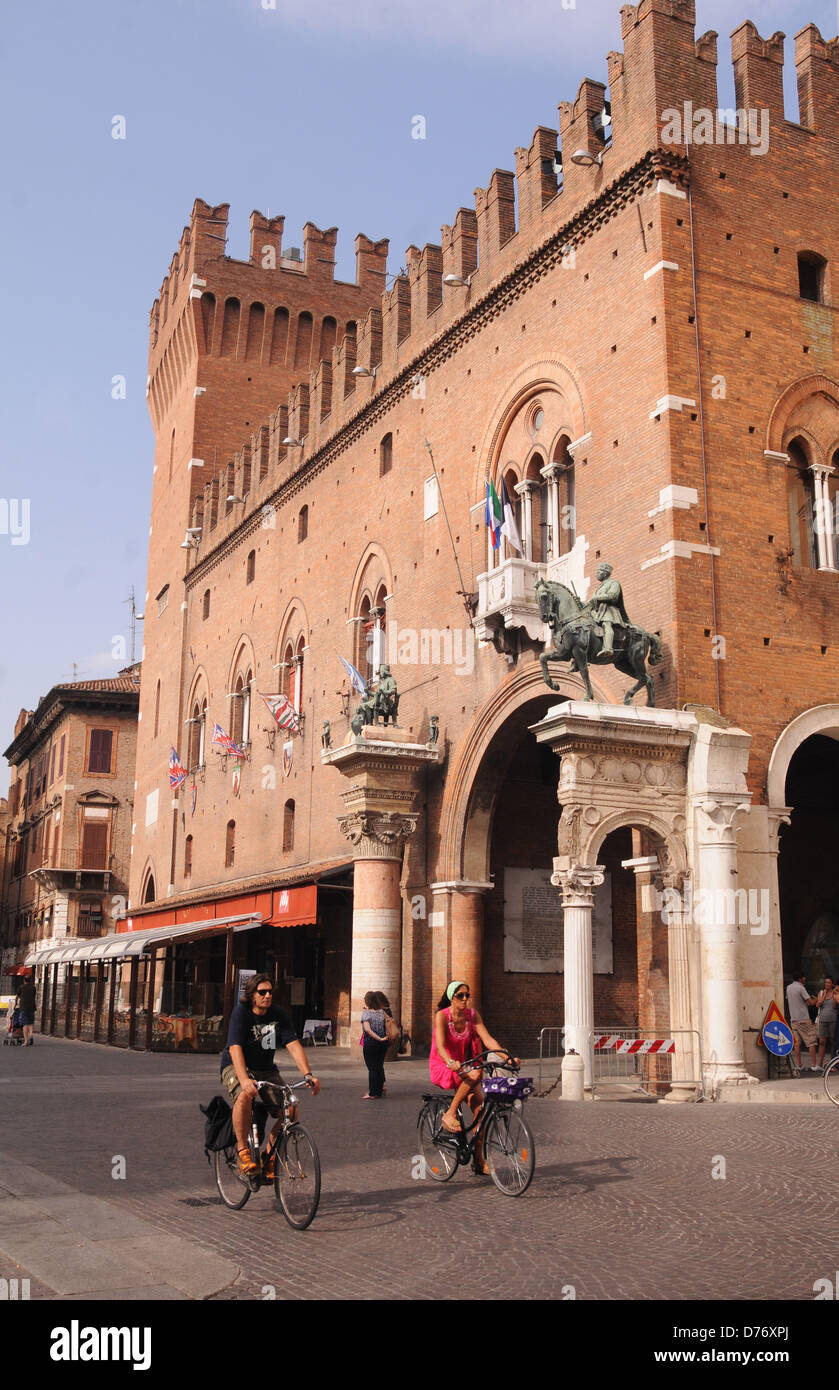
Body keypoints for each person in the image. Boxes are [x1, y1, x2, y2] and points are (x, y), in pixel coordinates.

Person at [220, 974, 320, 1177]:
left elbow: (293, 1045)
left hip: (266, 1069)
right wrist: (245, 1080)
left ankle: (268, 1156)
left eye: (270, 992)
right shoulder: (242, 1013)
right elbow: (235, 1048)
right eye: (262, 992)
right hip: (236, 1066)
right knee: (244, 1095)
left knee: (290, 1109)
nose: (267, 995)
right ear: (252, 995)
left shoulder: (278, 1014)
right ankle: (242, 1152)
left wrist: (308, 1074)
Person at [429, 981, 515, 1174]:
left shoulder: (472, 1015)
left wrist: (507, 1058)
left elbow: (488, 1039)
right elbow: (440, 1046)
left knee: (480, 1111)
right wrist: (450, 1061)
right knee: (475, 1074)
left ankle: (478, 1159)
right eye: (460, 995)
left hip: (466, 1066)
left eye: (467, 995)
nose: (465, 999)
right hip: (444, 1064)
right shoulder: (442, 1017)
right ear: (452, 997)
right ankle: (450, 1113)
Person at [786, 971, 821, 1073]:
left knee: (797, 1043)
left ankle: (799, 1065)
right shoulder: (801, 987)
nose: (805, 979)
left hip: (793, 1019)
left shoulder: (789, 987)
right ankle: (814, 1065)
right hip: (803, 1019)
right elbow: (810, 1002)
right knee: (811, 1042)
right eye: (804, 978)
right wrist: (818, 999)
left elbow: (797, 1001)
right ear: (800, 979)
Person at [360, 990, 389, 1099]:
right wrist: (382, 1039)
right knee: (379, 1066)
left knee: (372, 1068)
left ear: (367, 1001)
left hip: (371, 1043)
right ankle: (379, 1091)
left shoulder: (366, 1014)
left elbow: (367, 1030)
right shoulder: (382, 1013)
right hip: (383, 1044)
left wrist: (379, 1038)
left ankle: (372, 1093)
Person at [815, 976, 836, 1070]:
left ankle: (833, 1063)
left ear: (832, 984)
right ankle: (819, 1064)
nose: (827, 984)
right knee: (822, 1041)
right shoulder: (821, 992)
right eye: (825, 982)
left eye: (828, 983)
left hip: (833, 1019)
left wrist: (834, 994)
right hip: (823, 1019)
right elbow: (818, 1005)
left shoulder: (835, 993)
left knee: (832, 1041)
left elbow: (835, 1006)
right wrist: (824, 995)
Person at [17, 976, 36, 1046]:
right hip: (32, 1007)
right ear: (30, 980)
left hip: (24, 1007)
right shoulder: (33, 987)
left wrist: (16, 1004)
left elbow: (18, 996)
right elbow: (33, 996)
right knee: (30, 1023)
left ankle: (25, 1041)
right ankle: (31, 1035)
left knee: (25, 1024)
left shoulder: (21, 987)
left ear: (24, 980)